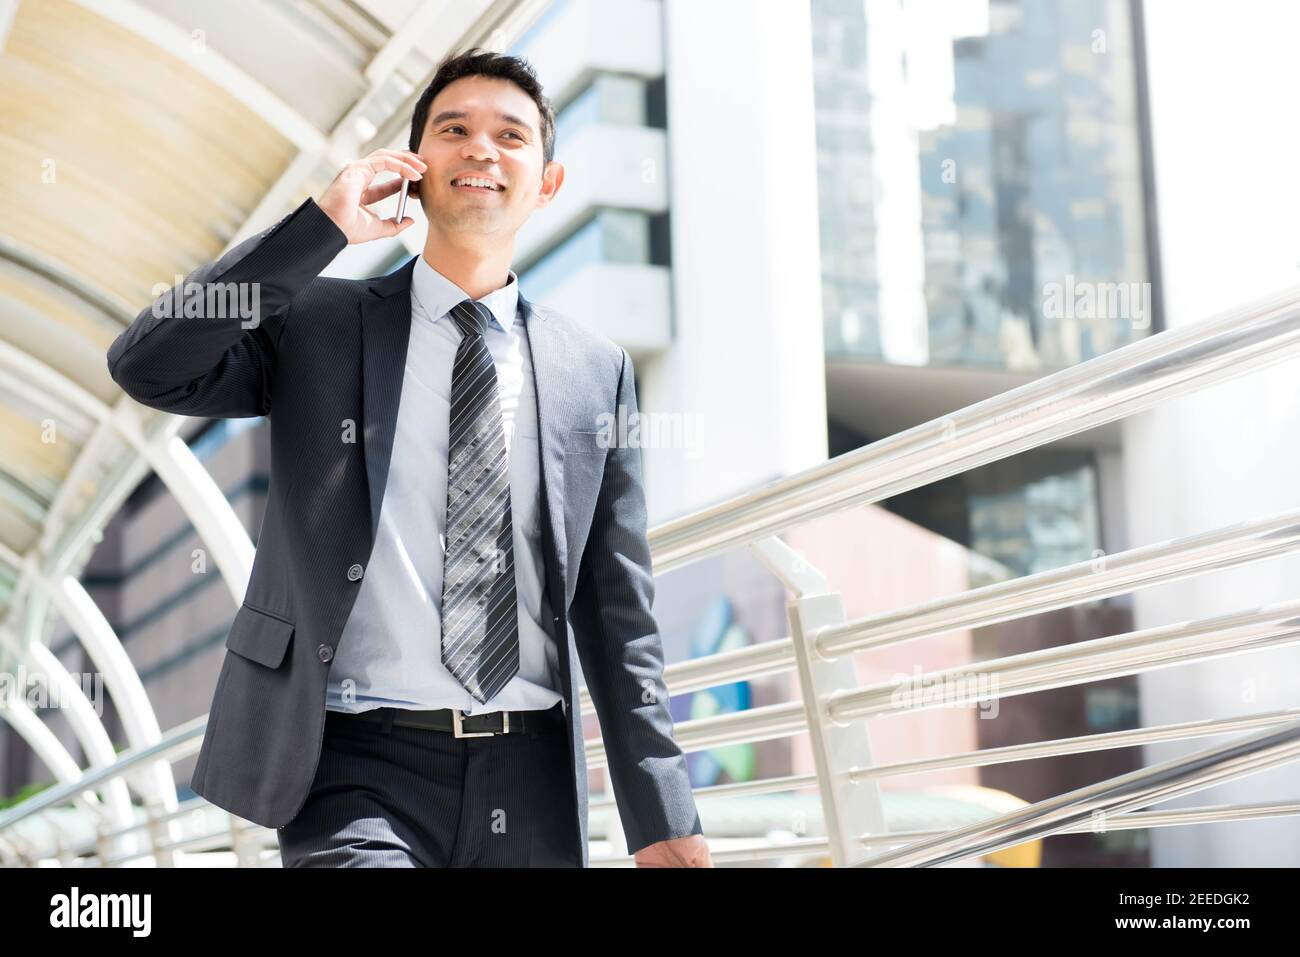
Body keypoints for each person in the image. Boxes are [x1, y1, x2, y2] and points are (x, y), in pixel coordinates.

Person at [107, 47, 711, 868]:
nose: (480, 149)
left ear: (549, 182)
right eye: (453, 130)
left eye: (510, 135)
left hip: (529, 771)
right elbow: (149, 364)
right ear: (414, 168)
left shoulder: (592, 371)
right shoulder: (318, 322)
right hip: (355, 765)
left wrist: (664, 815)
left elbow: (616, 608)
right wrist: (317, 229)